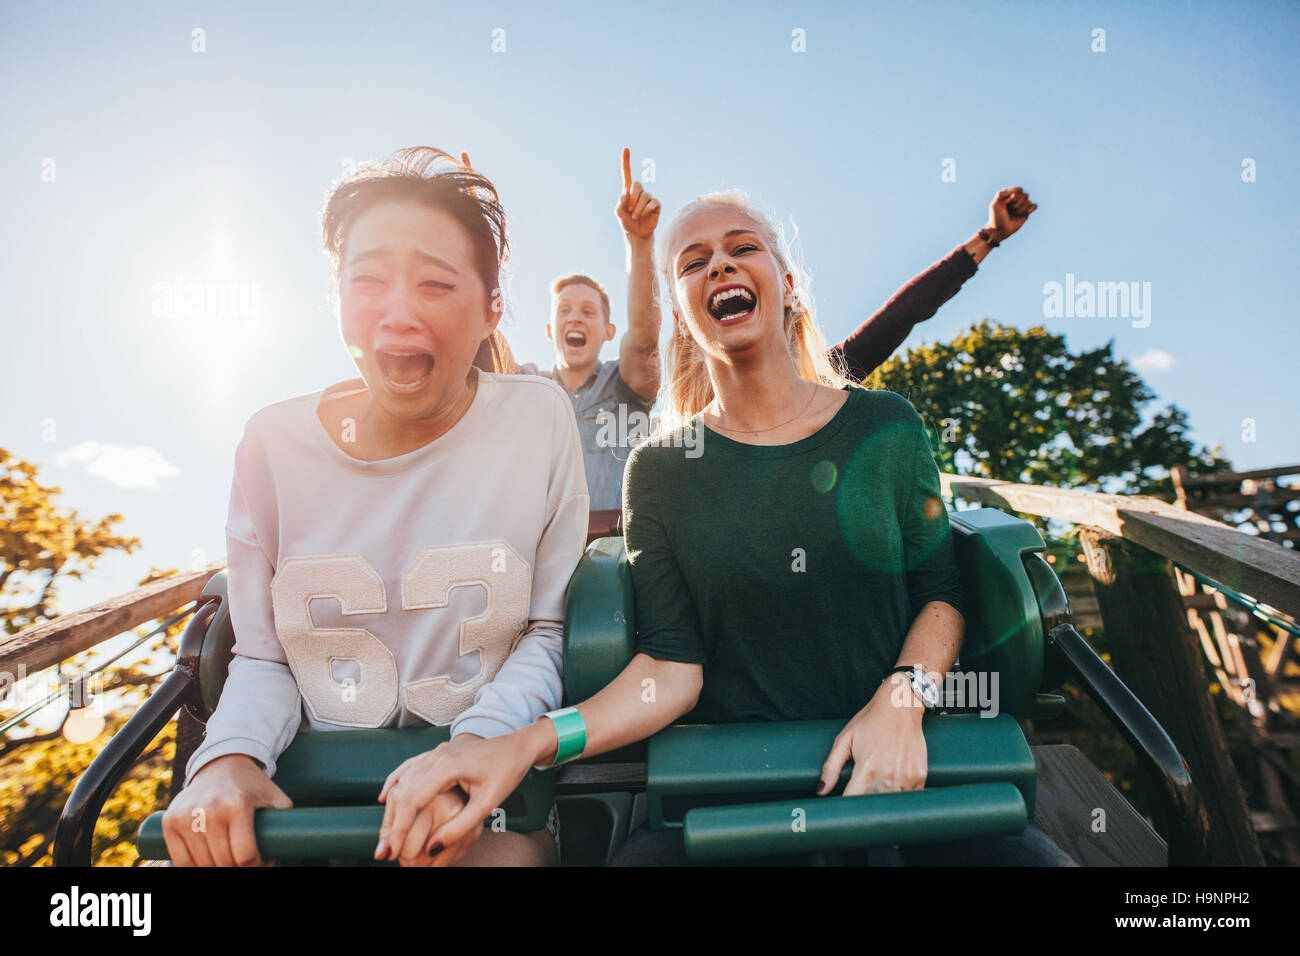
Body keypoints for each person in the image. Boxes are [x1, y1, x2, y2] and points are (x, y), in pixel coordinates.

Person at [378, 186, 1073, 867]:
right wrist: (524, 743)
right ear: (682, 311)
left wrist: (903, 702)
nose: (720, 265)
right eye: (693, 261)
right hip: (733, 798)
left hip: (904, 780)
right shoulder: (659, 470)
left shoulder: (883, 424)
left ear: (787, 283)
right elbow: (669, 669)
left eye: (744, 248)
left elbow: (940, 592)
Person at [160, 147, 589, 867]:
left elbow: (547, 633)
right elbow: (266, 656)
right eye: (368, 281)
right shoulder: (270, 444)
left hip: (483, 813)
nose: (397, 312)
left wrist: (474, 749)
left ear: (491, 310)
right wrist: (227, 759)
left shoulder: (539, 420)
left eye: (433, 283)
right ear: (335, 296)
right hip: (310, 812)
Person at [516, 149, 662, 527]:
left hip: (612, 554)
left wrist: (639, 241)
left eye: (587, 311)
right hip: (537, 554)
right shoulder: (527, 385)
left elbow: (645, 339)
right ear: (550, 329)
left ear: (608, 331)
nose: (574, 318)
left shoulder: (624, 384)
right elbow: (478, 355)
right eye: (564, 310)